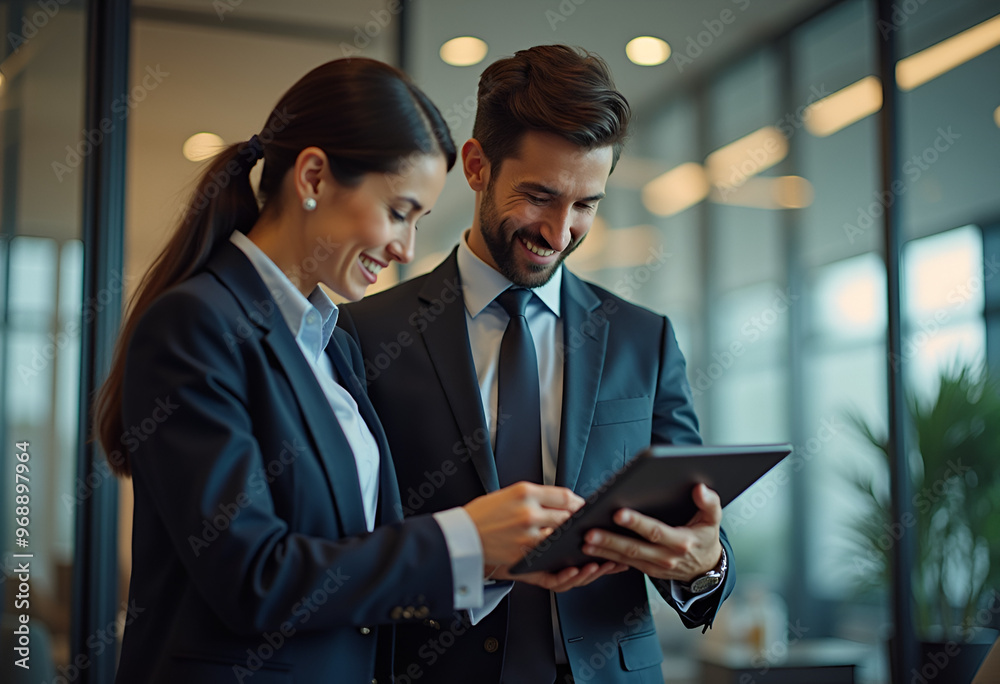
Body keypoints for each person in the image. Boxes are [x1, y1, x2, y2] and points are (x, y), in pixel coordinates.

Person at [92, 57, 606, 684]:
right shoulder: (196, 325)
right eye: (398, 211)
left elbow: (350, 566)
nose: (406, 249)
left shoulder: (330, 345)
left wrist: (497, 562)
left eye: (418, 222)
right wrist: (465, 537)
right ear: (313, 176)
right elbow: (252, 576)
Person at [338, 45, 736, 683]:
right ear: (475, 166)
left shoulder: (644, 339)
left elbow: (688, 523)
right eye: (539, 197)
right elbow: (349, 547)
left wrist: (705, 564)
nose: (559, 233)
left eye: (586, 205)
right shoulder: (363, 334)